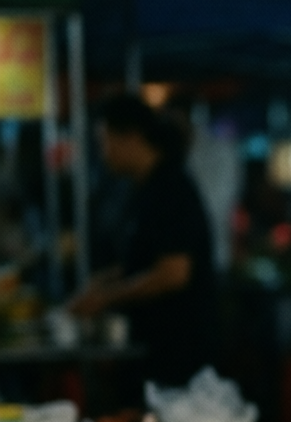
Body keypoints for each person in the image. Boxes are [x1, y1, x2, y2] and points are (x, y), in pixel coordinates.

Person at [70, 95, 218, 387]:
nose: (104, 153)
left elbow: (173, 273)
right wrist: (105, 280)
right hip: (151, 347)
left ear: (131, 138)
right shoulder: (143, 188)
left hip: (178, 349)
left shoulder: (170, 188)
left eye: (105, 141)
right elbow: (142, 258)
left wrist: (106, 298)